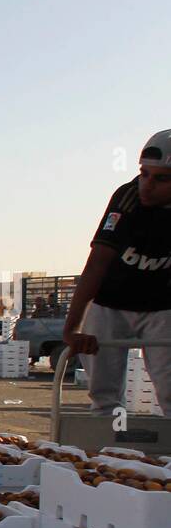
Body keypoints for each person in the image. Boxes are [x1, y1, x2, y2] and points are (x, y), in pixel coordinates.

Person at [63, 129, 171, 414]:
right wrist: (73, 327)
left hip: (162, 306)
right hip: (110, 302)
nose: (147, 185)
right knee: (103, 393)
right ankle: (106, 454)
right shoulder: (128, 198)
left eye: (161, 178)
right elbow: (97, 263)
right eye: (144, 173)